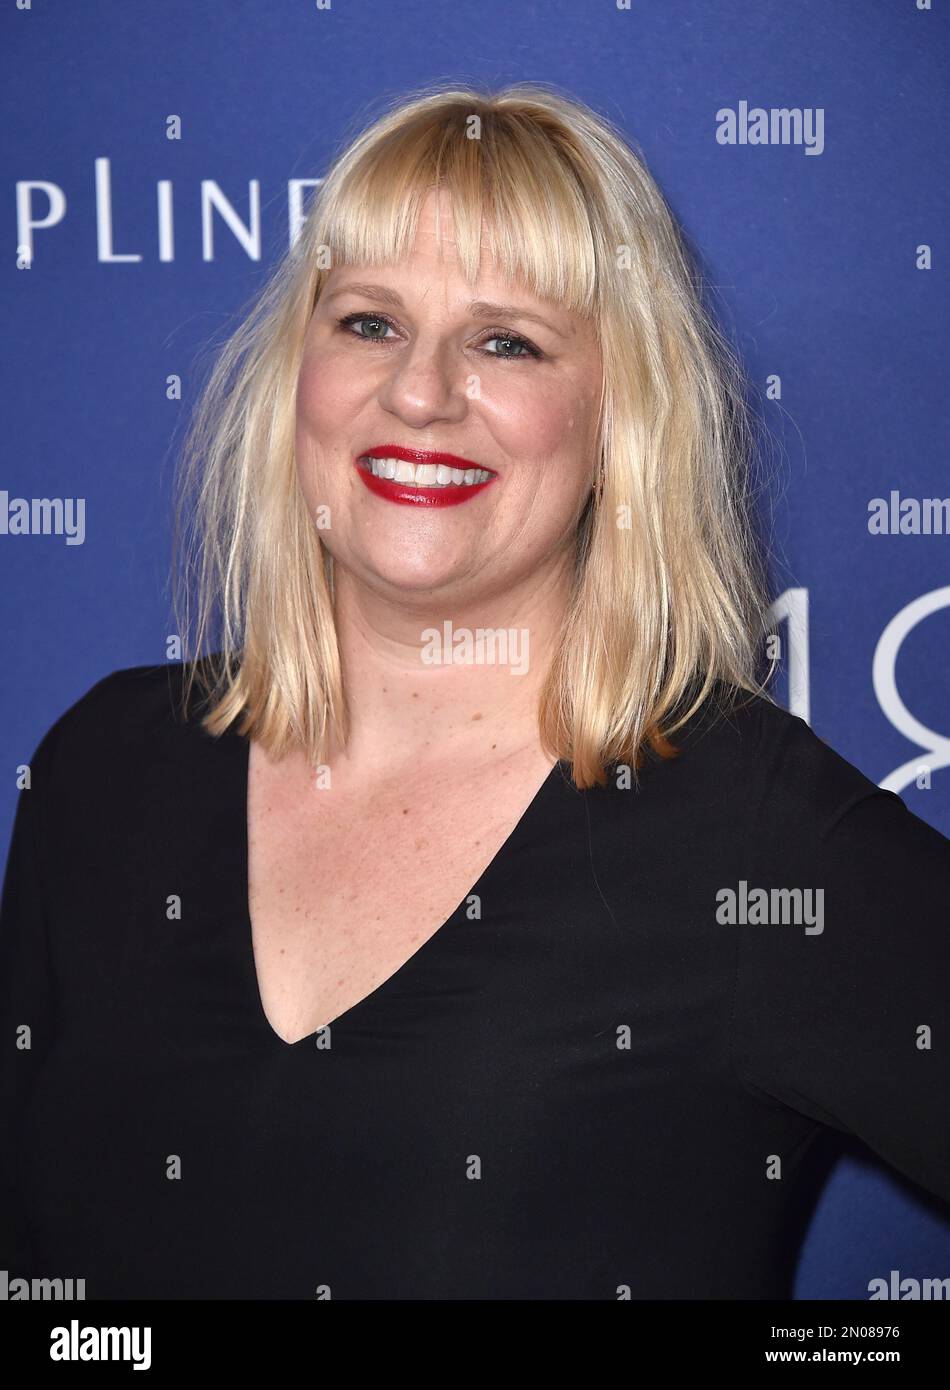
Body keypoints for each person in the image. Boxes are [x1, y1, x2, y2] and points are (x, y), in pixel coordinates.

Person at [1, 82, 948, 1300]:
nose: (420, 391)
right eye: (367, 322)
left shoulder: (751, 835)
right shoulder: (105, 766)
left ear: (620, 420)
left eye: (507, 340)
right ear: (295, 373)